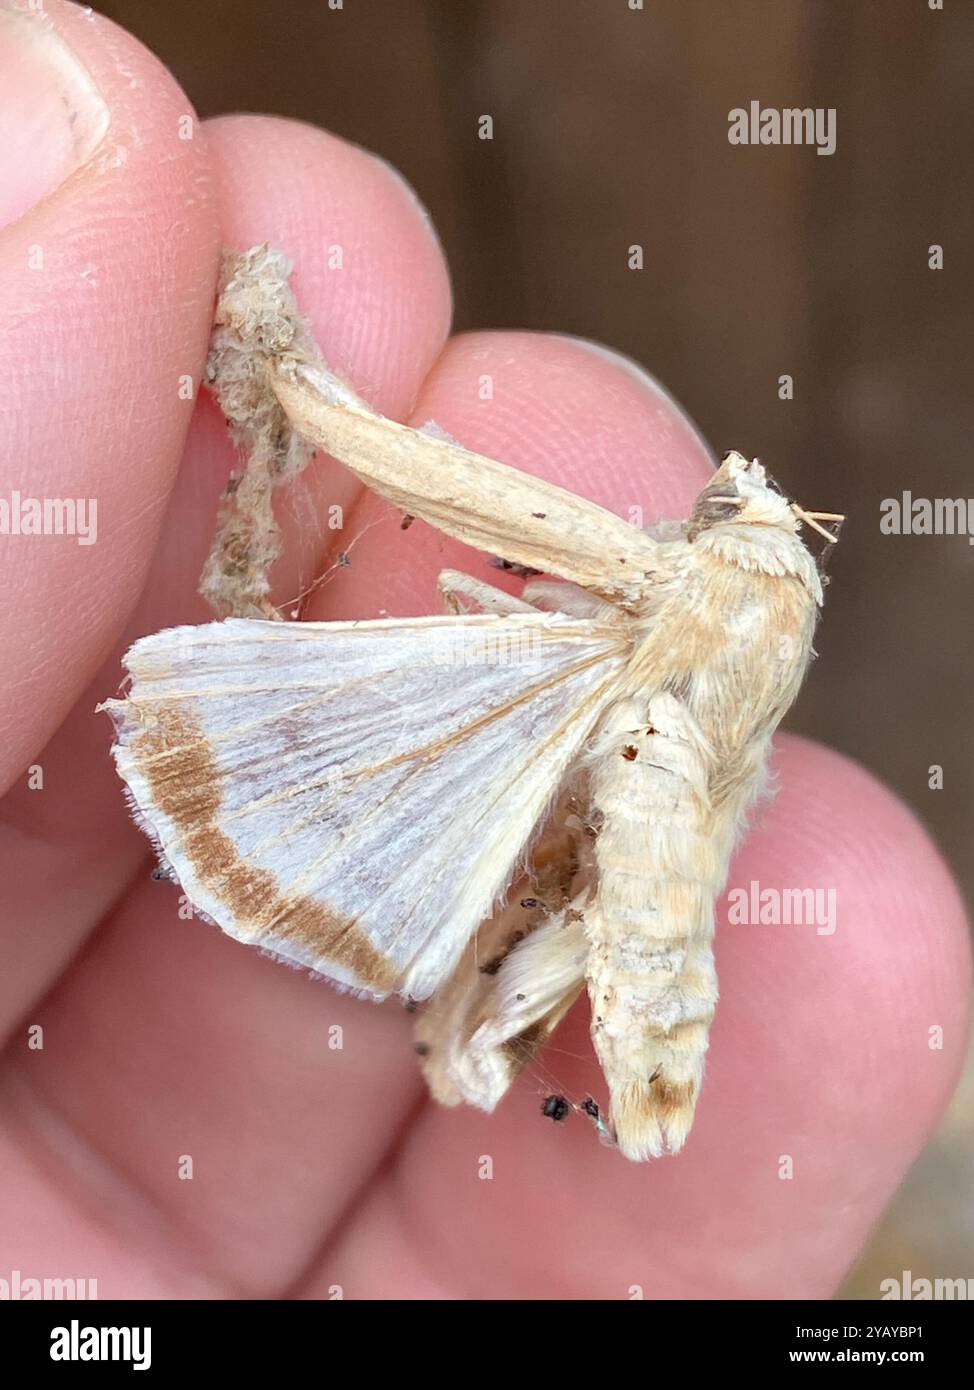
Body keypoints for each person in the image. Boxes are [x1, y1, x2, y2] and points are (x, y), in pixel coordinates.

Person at [0, 0, 968, 1300]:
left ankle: (493, 1019)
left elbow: (447, 493)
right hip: (618, 798)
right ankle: (531, 1035)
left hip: (576, 737)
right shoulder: (702, 649)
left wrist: (290, 386)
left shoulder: (653, 577)